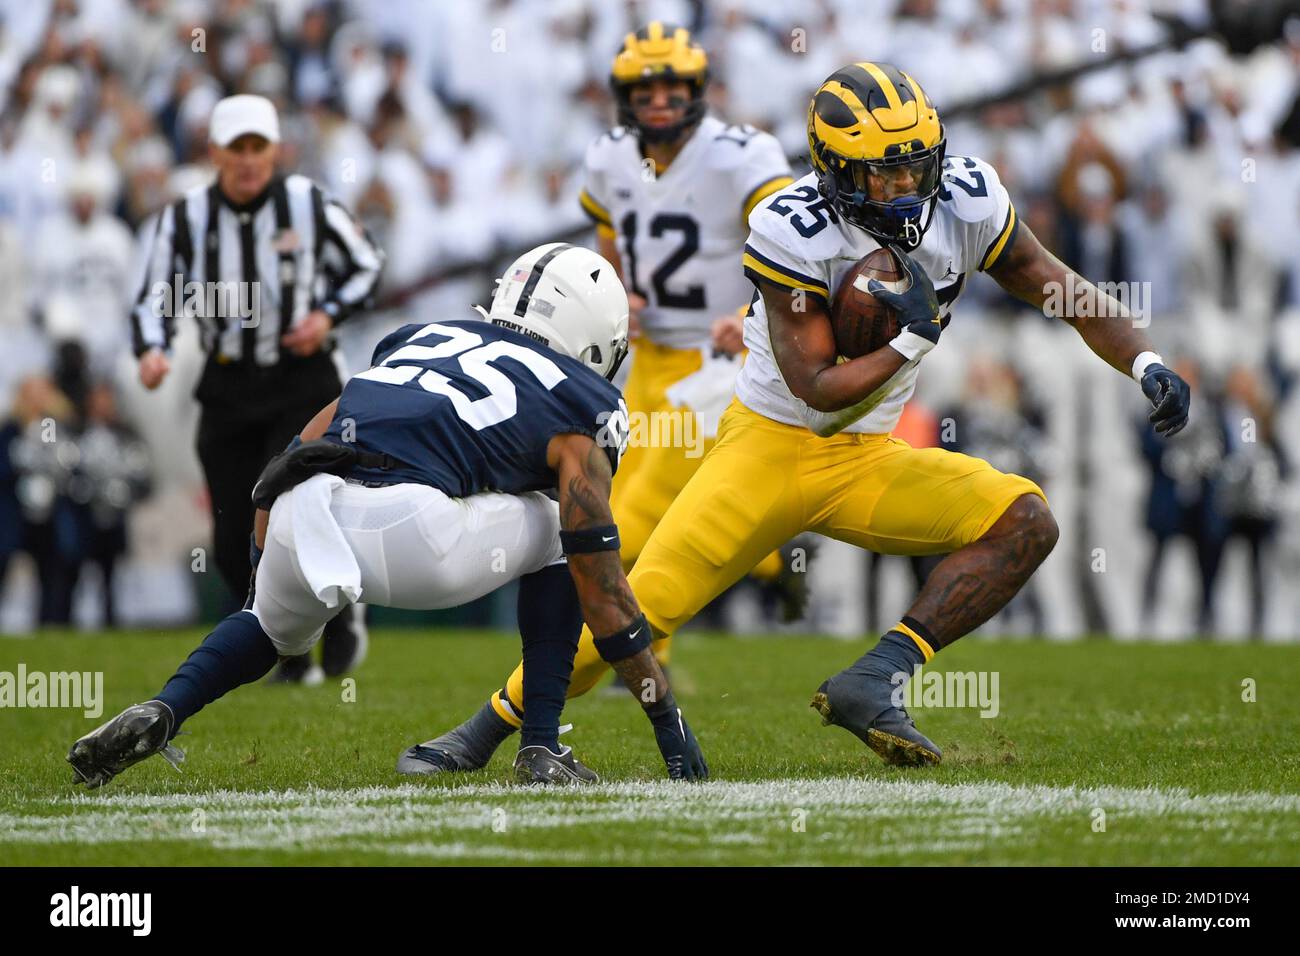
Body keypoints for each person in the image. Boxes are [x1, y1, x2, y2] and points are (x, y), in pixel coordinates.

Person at [424, 62, 1192, 770]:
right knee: (638, 606)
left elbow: (1056, 286)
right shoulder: (794, 228)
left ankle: (875, 676)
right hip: (768, 446)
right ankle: (485, 729)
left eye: (915, 163)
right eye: (883, 170)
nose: (904, 184)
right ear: (835, 171)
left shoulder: (967, 196)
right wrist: (918, 336)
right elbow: (819, 385)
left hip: (866, 456)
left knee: (1026, 521)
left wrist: (1146, 361)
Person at [67, 243, 708, 788]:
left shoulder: (424, 335)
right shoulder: (582, 397)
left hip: (305, 499)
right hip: (410, 531)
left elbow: (304, 444)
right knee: (558, 532)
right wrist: (666, 720)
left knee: (267, 626)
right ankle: (541, 746)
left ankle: (165, 706)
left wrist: (270, 531)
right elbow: (600, 583)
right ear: (594, 334)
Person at [130, 94, 384, 682]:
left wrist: (325, 314)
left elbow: (368, 263)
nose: (247, 160)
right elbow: (153, 296)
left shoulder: (307, 203)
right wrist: (153, 349)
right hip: (227, 382)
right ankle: (290, 649)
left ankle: (341, 613)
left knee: (299, 505)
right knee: (230, 535)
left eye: (257, 147)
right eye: (236, 148)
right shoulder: (186, 217)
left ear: (275, 151)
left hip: (302, 377)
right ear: (214, 152)